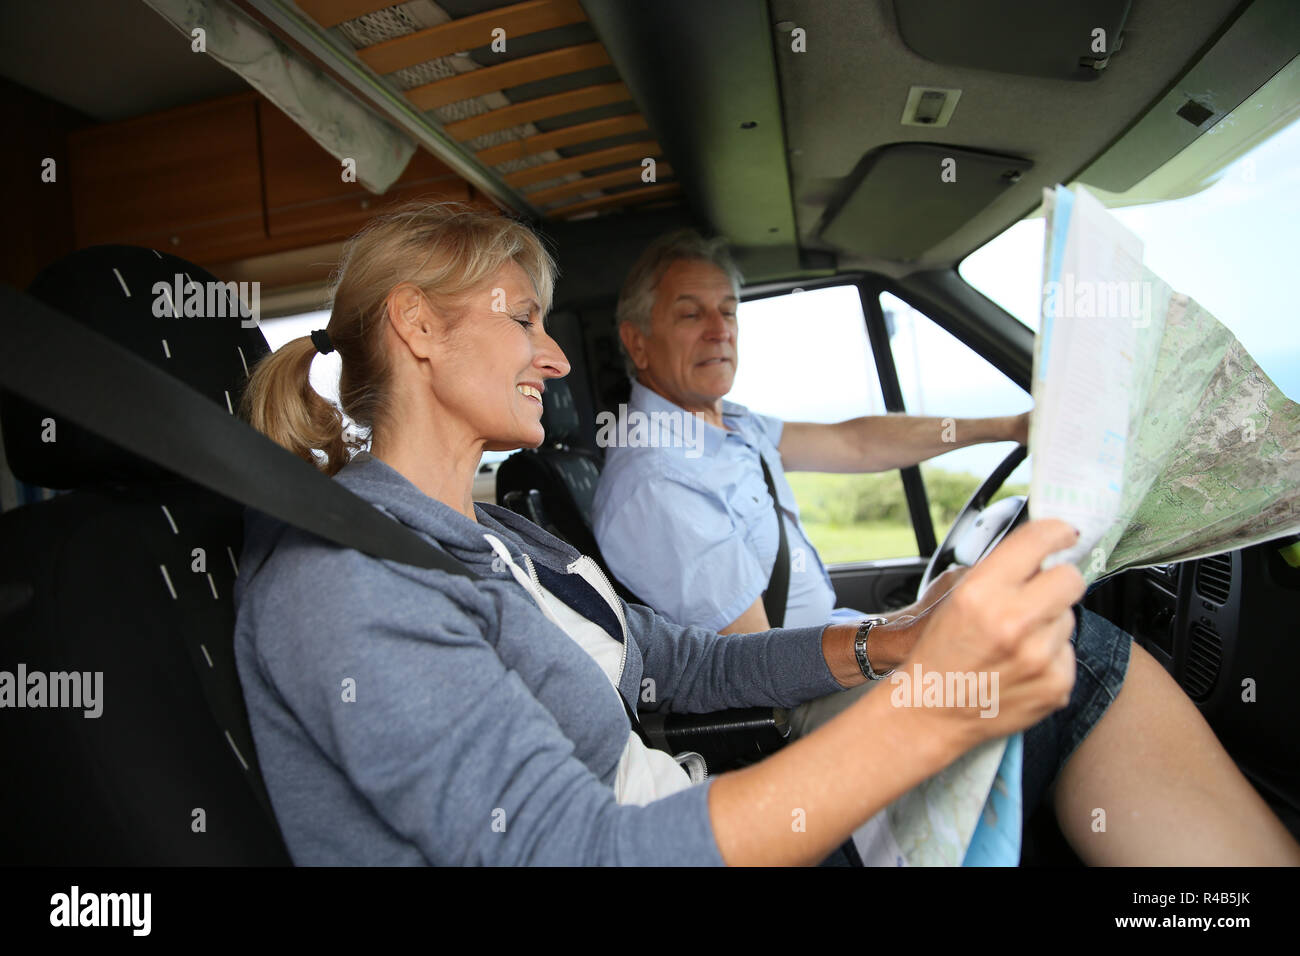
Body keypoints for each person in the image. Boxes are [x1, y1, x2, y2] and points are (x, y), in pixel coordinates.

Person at [234, 202, 1299, 865]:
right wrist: (934, 712)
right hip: (665, 839)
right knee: (1081, 666)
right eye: (524, 318)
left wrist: (897, 644)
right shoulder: (349, 573)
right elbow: (575, 850)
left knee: (1066, 667)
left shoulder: (502, 535)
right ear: (418, 326)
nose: (556, 359)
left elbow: (672, 660)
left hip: (683, 806)